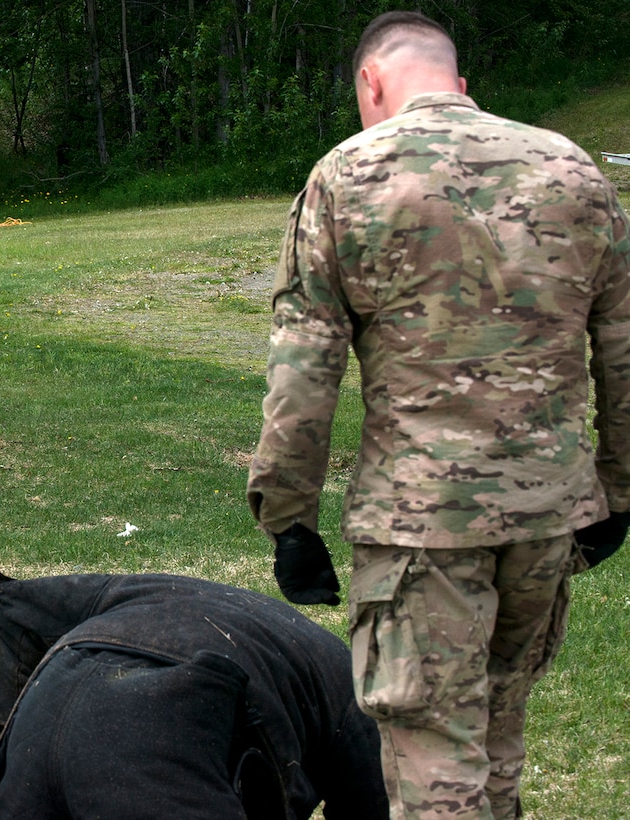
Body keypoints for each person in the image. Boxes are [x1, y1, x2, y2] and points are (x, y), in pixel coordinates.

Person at [246, 10, 630, 820]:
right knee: (495, 732)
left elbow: (303, 368)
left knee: (432, 750)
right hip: (545, 514)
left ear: (370, 81)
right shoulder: (573, 172)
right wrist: (618, 491)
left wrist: (287, 516)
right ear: (458, 85)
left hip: (422, 524)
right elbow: (623, 348)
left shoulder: (346, 176)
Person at [0, 573, 389, 819]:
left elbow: (21, 602)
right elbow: (374, 806)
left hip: (50, 696)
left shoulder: (167, 589)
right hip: (153, 720)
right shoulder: (357, 702)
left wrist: (7, 726)